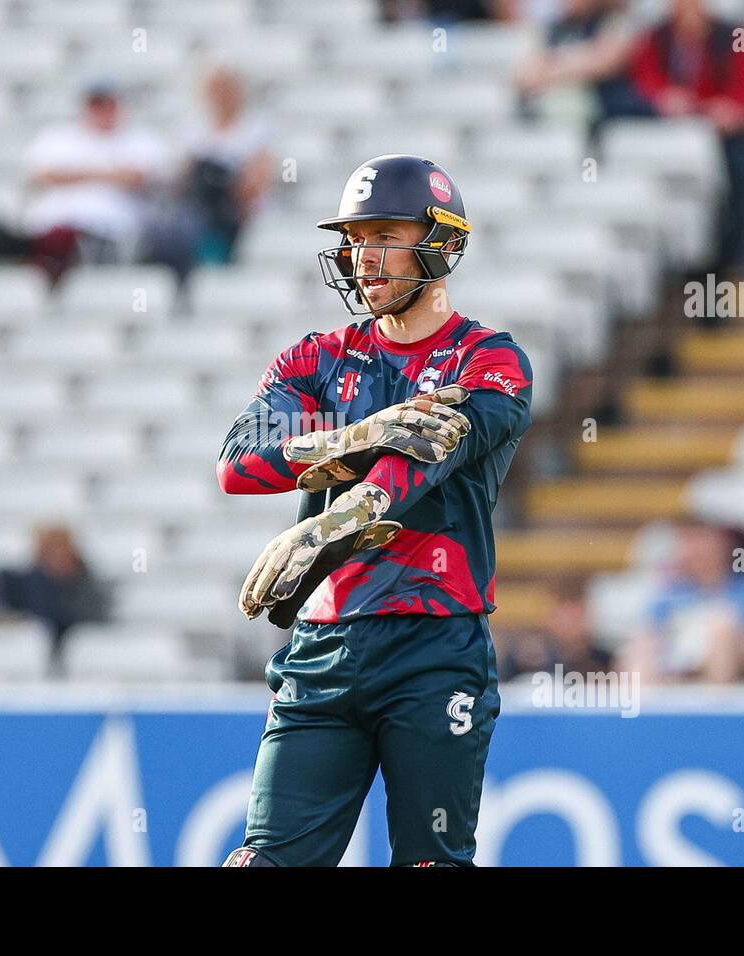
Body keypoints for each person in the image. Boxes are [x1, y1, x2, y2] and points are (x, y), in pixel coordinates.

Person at [216, 155, 533, 867]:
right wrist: (355, 435)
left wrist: (336, 521)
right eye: (356, 239)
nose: (364, 256)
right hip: (321, 645)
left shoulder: (490, 359)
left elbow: (429, 450)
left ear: (441, 241)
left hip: (434, 646)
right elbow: (236, 463)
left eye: (386, 236)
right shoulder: (316, 359)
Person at [0, 82, 172, 286]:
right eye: (96, 104)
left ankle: (49, 272)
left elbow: (139, 178)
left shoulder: (142, 140)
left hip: (104, 231)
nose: (103, 110)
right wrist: (108, 175)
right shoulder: (57, 137)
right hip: (47, 229)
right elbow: (43, 175)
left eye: (108, 103)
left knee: (65, 243)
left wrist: (73, 174)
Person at [628, 0, 744, 275]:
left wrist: (730, 108)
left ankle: (738, 253)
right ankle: (687, 264)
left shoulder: (735, 37)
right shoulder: (655, 38)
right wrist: (663, 98)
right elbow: (644, 79)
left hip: (723, 137)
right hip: (671, 139)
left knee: (743, 167)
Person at [620, 520, 744, 683]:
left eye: (703, 542)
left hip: (732, 664)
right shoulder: (668, 593)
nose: (696, 550)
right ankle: (642, 697)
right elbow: (649, 636)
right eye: (689, 543)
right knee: (643, 643)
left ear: (722, 546)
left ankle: (716, 696)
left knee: (722, 629)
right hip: (674, 664)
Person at [170, 66, 273, 266]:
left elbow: (256, 181)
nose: (221, 95)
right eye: (216, 89)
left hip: (242, 216)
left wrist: (224, 184)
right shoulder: (194, 129)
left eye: (226, 88)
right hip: (201, 215)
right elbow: (183, 178)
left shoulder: (256, 129)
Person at [514, 0, 652, 128]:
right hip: (549, 119)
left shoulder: (615, 21)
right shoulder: (551, 28)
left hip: (603, 119)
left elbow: (604, 63)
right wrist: (576, 62)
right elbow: (525, 75)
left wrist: (550, 67)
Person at [0, 525, 112, 641]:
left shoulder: (89, 588)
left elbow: (91, 623)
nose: (57, 558)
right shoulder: (21, 583)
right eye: (50, 551)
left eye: (61, 549)